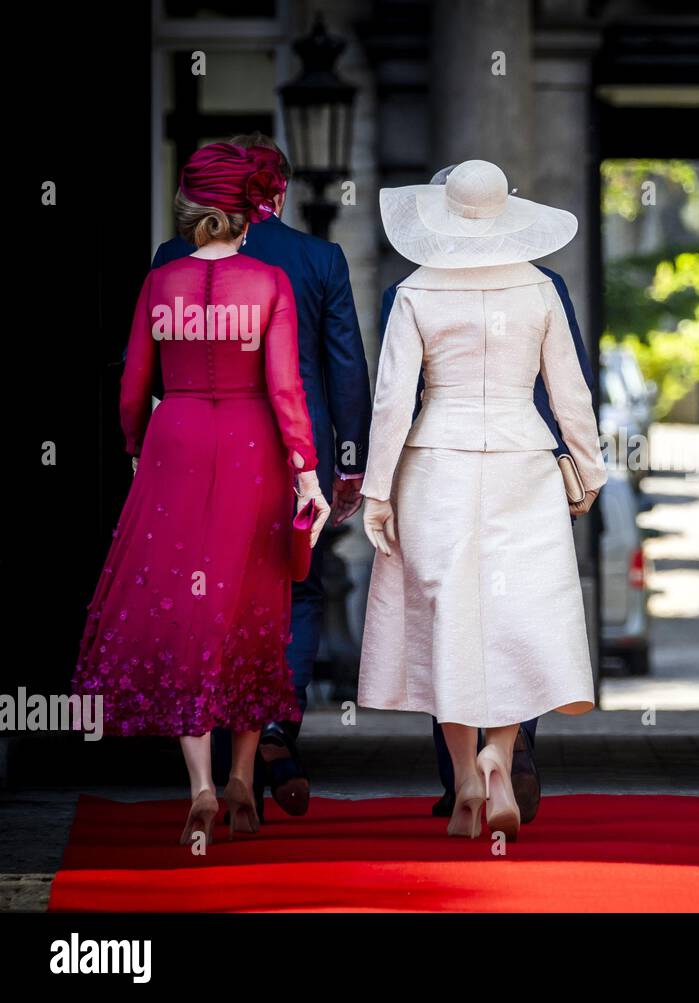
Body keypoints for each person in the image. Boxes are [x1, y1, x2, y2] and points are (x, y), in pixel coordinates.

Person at [72, 142, 331, 844]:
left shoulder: (160, 284)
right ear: (250, 210)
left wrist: (134, 447)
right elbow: (286, 389)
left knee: (188, 614)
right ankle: (246, 778)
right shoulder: (270, 282)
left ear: (189, 209)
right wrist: (307, 471)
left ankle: (201, 787)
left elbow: (132, 388)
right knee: (251, 609)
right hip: (254, 446)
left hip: (175, 438)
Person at [358, 159, 606, 841]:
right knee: (514, 611)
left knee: (450, 616)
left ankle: (467, 775)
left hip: (434, 460)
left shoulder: (416, 289)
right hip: (523, 461)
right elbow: (571, 391)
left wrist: (377, 489)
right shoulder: (541, 289)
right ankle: (500, 752)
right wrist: (587, 469)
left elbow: (391, 403)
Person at [152, 133, 372, 819]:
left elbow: (157, 368)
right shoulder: (318, 258)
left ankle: (209, 767)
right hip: (290, 455)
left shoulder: (169, 259)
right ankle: (276, 726)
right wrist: (349, 464)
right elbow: (344, 368)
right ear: (276, 192)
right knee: (295, 594)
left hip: (195, 457)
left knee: (204, 599)